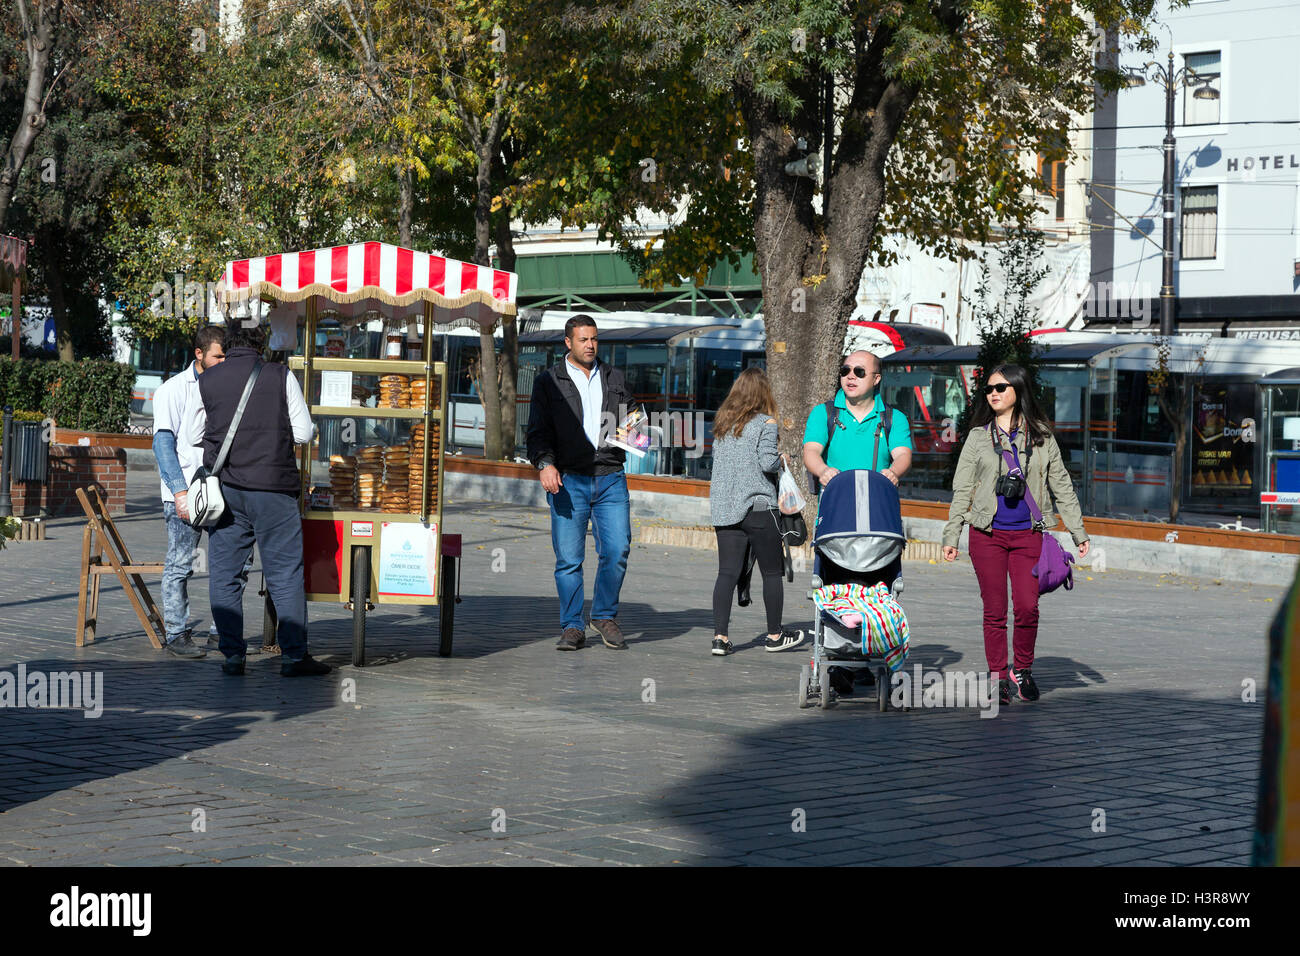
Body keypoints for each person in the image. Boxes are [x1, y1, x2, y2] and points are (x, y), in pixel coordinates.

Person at [941, 364, 1090, 706]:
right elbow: (962, 489)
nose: (993, 394)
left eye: (1001, 388)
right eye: (989, 389)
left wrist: (1078, 531)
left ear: (1018, 390)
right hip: (987, 535)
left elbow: (1061, 484)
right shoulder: (978, 437)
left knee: (1027, 607)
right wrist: (952, 536)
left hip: (1028, 535)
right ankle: (998, 676)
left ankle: (1021, 670)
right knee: (995, 611)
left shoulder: (1041, 437)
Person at [188, 324, 328, 677]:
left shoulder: (208, 380)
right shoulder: (280, 376)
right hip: (274, 490)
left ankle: (232, 655)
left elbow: (192, 434)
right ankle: (294, 657)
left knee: (226, 574)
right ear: (262, 345)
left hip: (227, 491)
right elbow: (303, 432)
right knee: (284, 573)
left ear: (228, 345)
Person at [526, 314, 633, 651]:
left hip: (610, 477)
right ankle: (572, 626)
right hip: (568, 480)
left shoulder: (615, 377)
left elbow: (632, 420)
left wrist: (637, 433)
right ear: (568, 343)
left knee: (617, 550)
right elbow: (537, 431)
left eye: (594, 339)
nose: (590, 345)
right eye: (584, 339)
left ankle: (603, 615)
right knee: (569, 560)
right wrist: (545, 464)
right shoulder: (548, 381)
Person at [708, 367, 804, 656]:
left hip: (726, 510)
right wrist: (782, 459)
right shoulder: (766, 422)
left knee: (726, 573)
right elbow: (766, 463)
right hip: (759, 508)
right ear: (764, 393)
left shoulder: (722, 424)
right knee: (772, 573)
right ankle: (774, 635)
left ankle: (720, 638)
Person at [151, 325, 226, 659]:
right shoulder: (173, 389)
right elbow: (163, 444)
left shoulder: (225, 385)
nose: (223, 362)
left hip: (219, 489)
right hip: (185, 490)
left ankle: (221, 632)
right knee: (181, 563)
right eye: (218, 356)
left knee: (230, 563)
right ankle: (176, 633)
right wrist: (179, 492)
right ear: (199, 354)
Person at [802, 349, 913, 489]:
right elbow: (811, 451)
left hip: (877, 497)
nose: (850, 376)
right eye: (845, 371)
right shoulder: (823, 413)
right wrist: (822, 471)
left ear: (876, 379)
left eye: (859, 371)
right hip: (835, 498)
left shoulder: (895, 418)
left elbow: (903, 455)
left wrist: (893, 472)